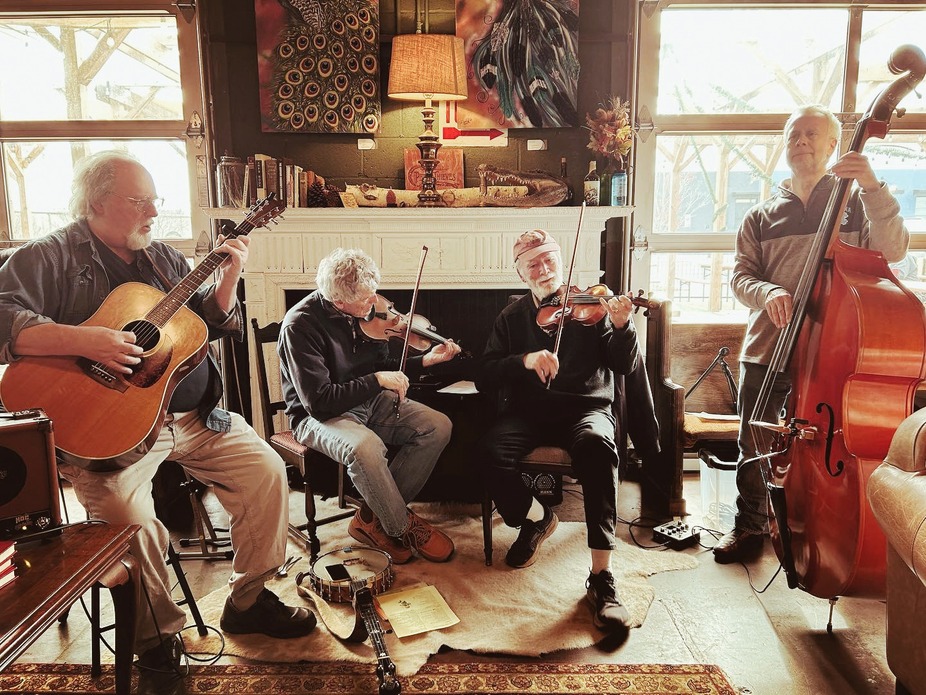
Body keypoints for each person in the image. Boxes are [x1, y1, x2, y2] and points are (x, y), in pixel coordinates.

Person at [0, 151, 315, 695]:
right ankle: (156, 640)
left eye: (155, 200)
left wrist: (230, 274)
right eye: (139, 200)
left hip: (195, 416)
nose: (152, 210)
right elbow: (3, 315)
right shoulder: (48, 257)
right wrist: (89, 339)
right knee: (130, 519)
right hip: (108, 433)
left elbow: (210, 325)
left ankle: (248, 600)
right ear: (99, 202)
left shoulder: (163, 260)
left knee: (266, 468)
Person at [720, 105, 909, 563]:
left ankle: (815, 524)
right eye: (794, 135)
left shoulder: (856, 201)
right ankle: (750, 527)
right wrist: (766, 292)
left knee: (827, 445)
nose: (802, 141)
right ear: (785, 146)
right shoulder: (761, 215)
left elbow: (893, 253)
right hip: (769, 347)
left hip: (835, 351)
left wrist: (872, 185)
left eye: (812, 135)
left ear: (832, 146)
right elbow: (741, 277)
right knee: (753, 439)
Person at [474, 229, 638, 633]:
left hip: (586, 410)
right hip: (531, 413)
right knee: (488, 451)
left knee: (599, 447)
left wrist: (622, 328)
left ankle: (602, 577)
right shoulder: (512, 317)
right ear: (520, 273)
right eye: (534, 264)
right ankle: (536, 517)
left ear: (561, 262)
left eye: (549, 260)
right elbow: (484, 374)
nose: (544, 270)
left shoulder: (595, 305)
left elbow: (623, 366)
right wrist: (525, 360)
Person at [278, 247, 462, 564]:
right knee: (365, 447)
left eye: (373, 292)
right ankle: (402, 527)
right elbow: (319, 402)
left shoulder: (363, 311)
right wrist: (376, 380)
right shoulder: (300, 327)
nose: (374, 302)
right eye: (365, 299)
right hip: (317, 417)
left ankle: (369, 518)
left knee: (436, 426)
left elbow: (385, 365)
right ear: (339, 301)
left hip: (366, 401)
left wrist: (425, 361)